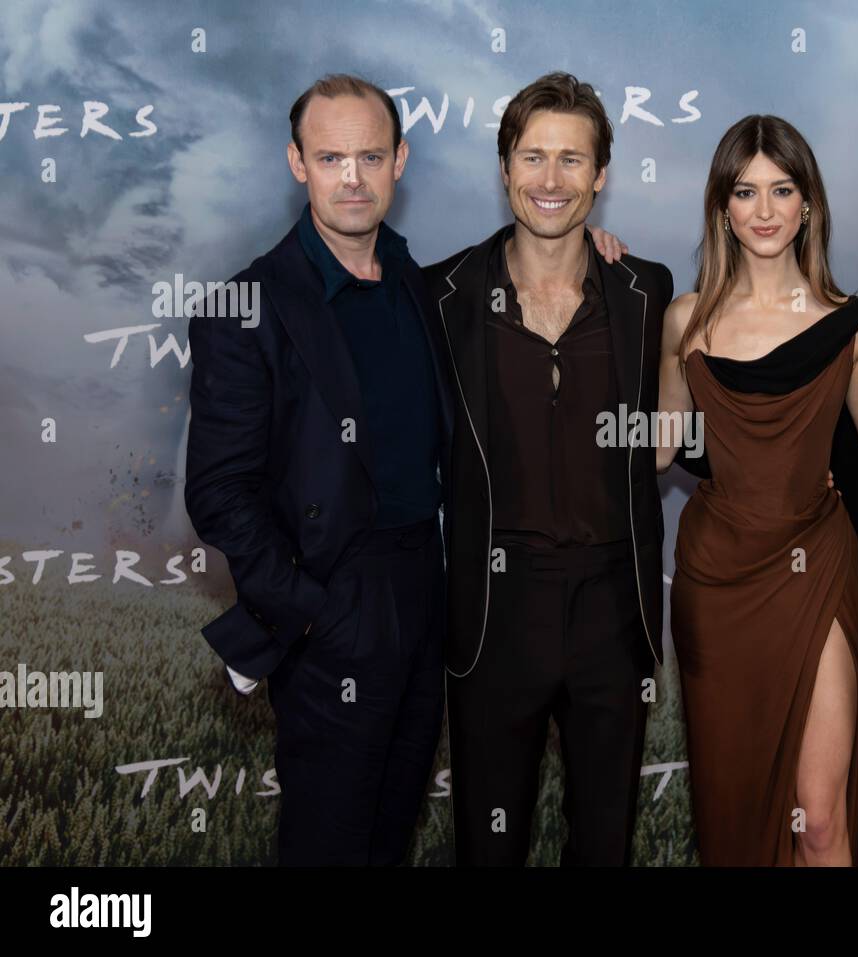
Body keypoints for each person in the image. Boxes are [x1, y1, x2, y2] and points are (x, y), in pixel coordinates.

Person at [186, 73, 624, 866]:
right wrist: (308, 610)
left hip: (429, 597)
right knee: (328, 843)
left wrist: (587, 244)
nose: (352, 177)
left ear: (399, 162)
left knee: (390, 836)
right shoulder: (246, 304)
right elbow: (218, 489)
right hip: (332, 606)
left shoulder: (424, 287)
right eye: (330, 157)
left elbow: (530, 264)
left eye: (370, 156)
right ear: (297, 164)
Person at [423, 72, 673, 866]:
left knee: (604, 845)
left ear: (601, 175)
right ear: (504, 169)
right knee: (488, 848)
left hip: (612, 609)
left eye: (573, 160)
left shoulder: (645, 291)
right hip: (497, 607)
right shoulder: (443, 295)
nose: (551, 180)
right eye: (533, 157)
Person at [656, 115, 858, 866]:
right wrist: (585, 261)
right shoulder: (685, 321)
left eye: (781, 189)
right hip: (717, 584)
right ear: (722, 205)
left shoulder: (856, 328)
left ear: (808, 203)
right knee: (737, 811)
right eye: (745, 190)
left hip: (817, 567)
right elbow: (658, 447)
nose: (763, 209)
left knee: (819, 820)